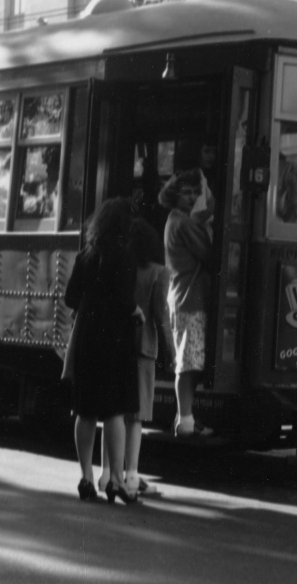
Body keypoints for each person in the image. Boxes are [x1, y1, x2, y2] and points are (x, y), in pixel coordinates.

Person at [62, 197, 141, 504]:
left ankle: (85, 477)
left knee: (85, 410)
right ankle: (116, 480)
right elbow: (124, 299)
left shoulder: (86, 255)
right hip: (115, 339)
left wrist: (90, 301)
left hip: (87, 336)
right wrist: (136, 311)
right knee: (114, 411)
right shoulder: (125, 255)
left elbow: (70, 298)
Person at [99, 217, 174, 497]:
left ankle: (107, 473)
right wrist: (171, 351)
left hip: (117, 344)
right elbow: (160, 316)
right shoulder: (159, 273)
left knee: (114, 412)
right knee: (136, 416)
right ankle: (131, 475)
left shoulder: (120, 268)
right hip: (144, 346)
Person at [160, 169, 217, 437]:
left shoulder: (176, 219)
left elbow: (200, 216)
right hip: (190, 297)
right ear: (176, 195)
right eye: (187, 193)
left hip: (182, 295)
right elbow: (210, 255)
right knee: (188, 364)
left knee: (189, 362)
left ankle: (185, 418)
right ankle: (185, 422)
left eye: (196, 192)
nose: (193, 197)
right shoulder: (184, 224)